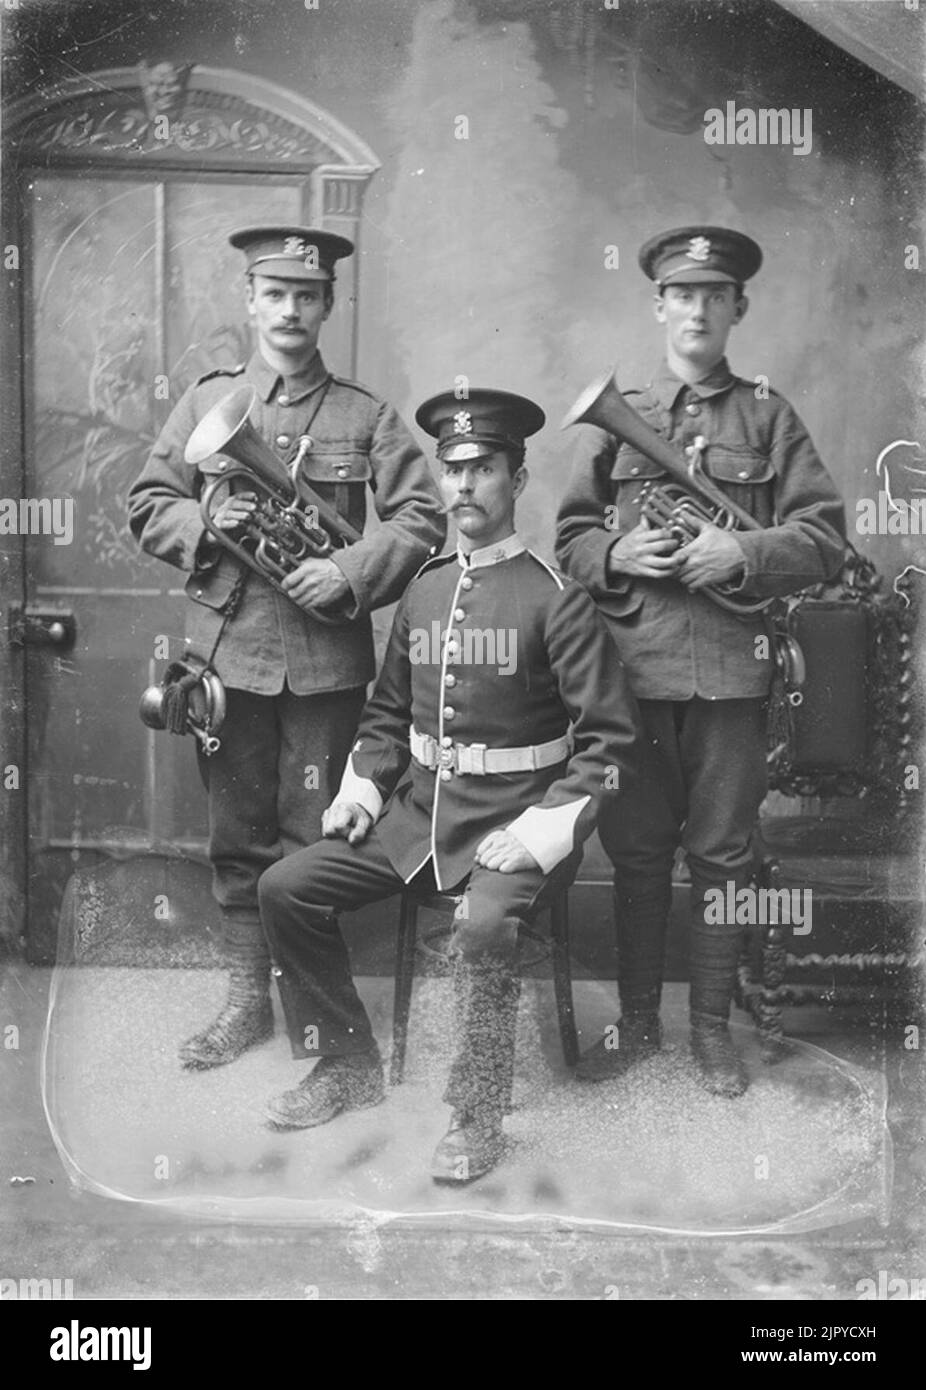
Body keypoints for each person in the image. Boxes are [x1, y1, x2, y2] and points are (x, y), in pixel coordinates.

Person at [256, 388, 643, 1182]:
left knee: (483, 927)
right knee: (283, 887)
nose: (464, 485)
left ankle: (477, 1110)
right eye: (452, 469)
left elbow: (608, 748)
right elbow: (385, 718)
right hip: (418, 815)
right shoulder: (427, 589)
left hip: (521, 821)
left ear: (518, 479)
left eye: (483, 469)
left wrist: (541, 831)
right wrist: (362, 790)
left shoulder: (554, 599)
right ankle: (347, 1063)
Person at [128, 226, 446, 1071]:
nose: (291, 310)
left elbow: (421, 518)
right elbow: (148, 499)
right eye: (276, 294)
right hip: (228, 658)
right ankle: (245, 1007)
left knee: (311, 842)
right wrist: (204, 521)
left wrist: (345, 572)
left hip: (325, 663)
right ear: (251, 301)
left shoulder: (366, 413)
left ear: (328, 306)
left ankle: (314, 1019)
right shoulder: (205, 401)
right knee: (237, 836)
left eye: (308, 296)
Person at [555, 226, 847, 1097]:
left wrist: (742, 555)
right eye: (682, 294)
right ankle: (641, 1026)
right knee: (637, 851)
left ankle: (711, 1032)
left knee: (722, 856)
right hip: (630, 677)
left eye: (714, 296)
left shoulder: (768, 414)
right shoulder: (623, 414)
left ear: (737, 309)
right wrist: (617, 555)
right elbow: (566, 537)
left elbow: (826, 538)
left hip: (731, 672)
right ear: (659, 306)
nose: (697, 310)